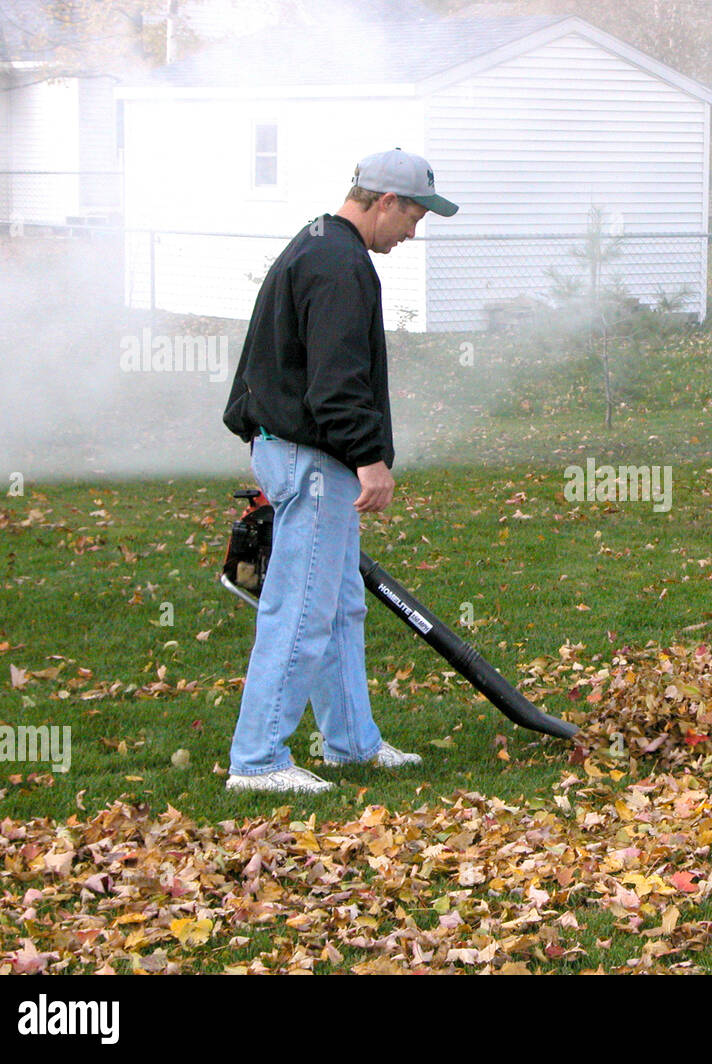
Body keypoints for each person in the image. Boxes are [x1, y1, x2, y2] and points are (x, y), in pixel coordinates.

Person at [221, 149, 459, 794]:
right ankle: (259, 759)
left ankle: (352, 744)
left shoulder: (319, 245)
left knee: (338, 605)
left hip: (298, 450)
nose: (414, 232)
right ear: (385, 202)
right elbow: (336, 382)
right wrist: (369, 459)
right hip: (315, 456)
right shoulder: (338, 265)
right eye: (413, 216)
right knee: (301, 606)